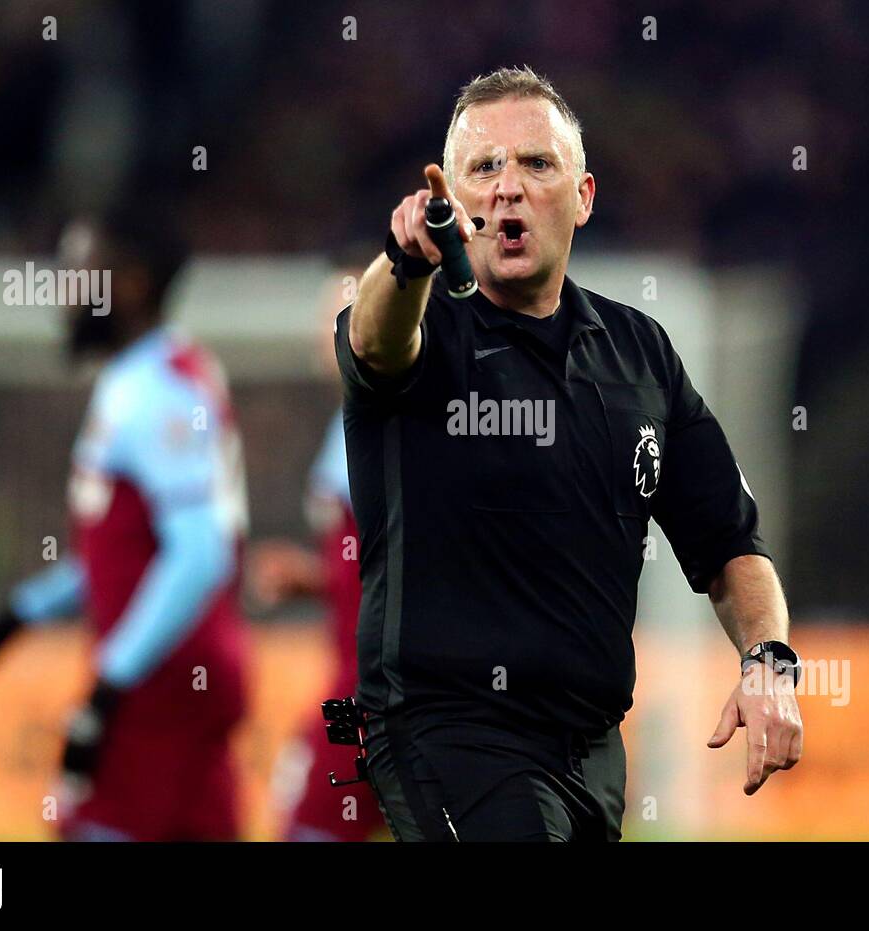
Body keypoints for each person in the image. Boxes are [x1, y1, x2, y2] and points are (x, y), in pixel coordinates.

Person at [334, 66, 803, 841]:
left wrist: (768, 661)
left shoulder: (639, 354)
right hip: (452, 731)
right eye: (483, 168)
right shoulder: (425, 333)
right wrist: (406, 255)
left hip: (591, 752)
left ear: (583, 196)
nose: (507, 188)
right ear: (453, 202)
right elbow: (374, 342)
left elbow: (730, 543)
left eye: (536, 164)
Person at [0, 208, 251, 841]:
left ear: (129, 283)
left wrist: (109, 684)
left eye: (77, 271)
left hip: (160, 682)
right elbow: (131, 550)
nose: (60, 289)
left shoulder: (157, 394)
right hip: (183, 669)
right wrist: (18, 616)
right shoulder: (153, 377)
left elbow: (198, 555)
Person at [251, 264, 383, 841]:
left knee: (309, 824)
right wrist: (315, 578)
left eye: (346, 318)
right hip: (360, 683)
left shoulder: (390, 432)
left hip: (368, 692)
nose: (326, 334)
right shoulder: (348, 424)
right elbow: (376, 570)